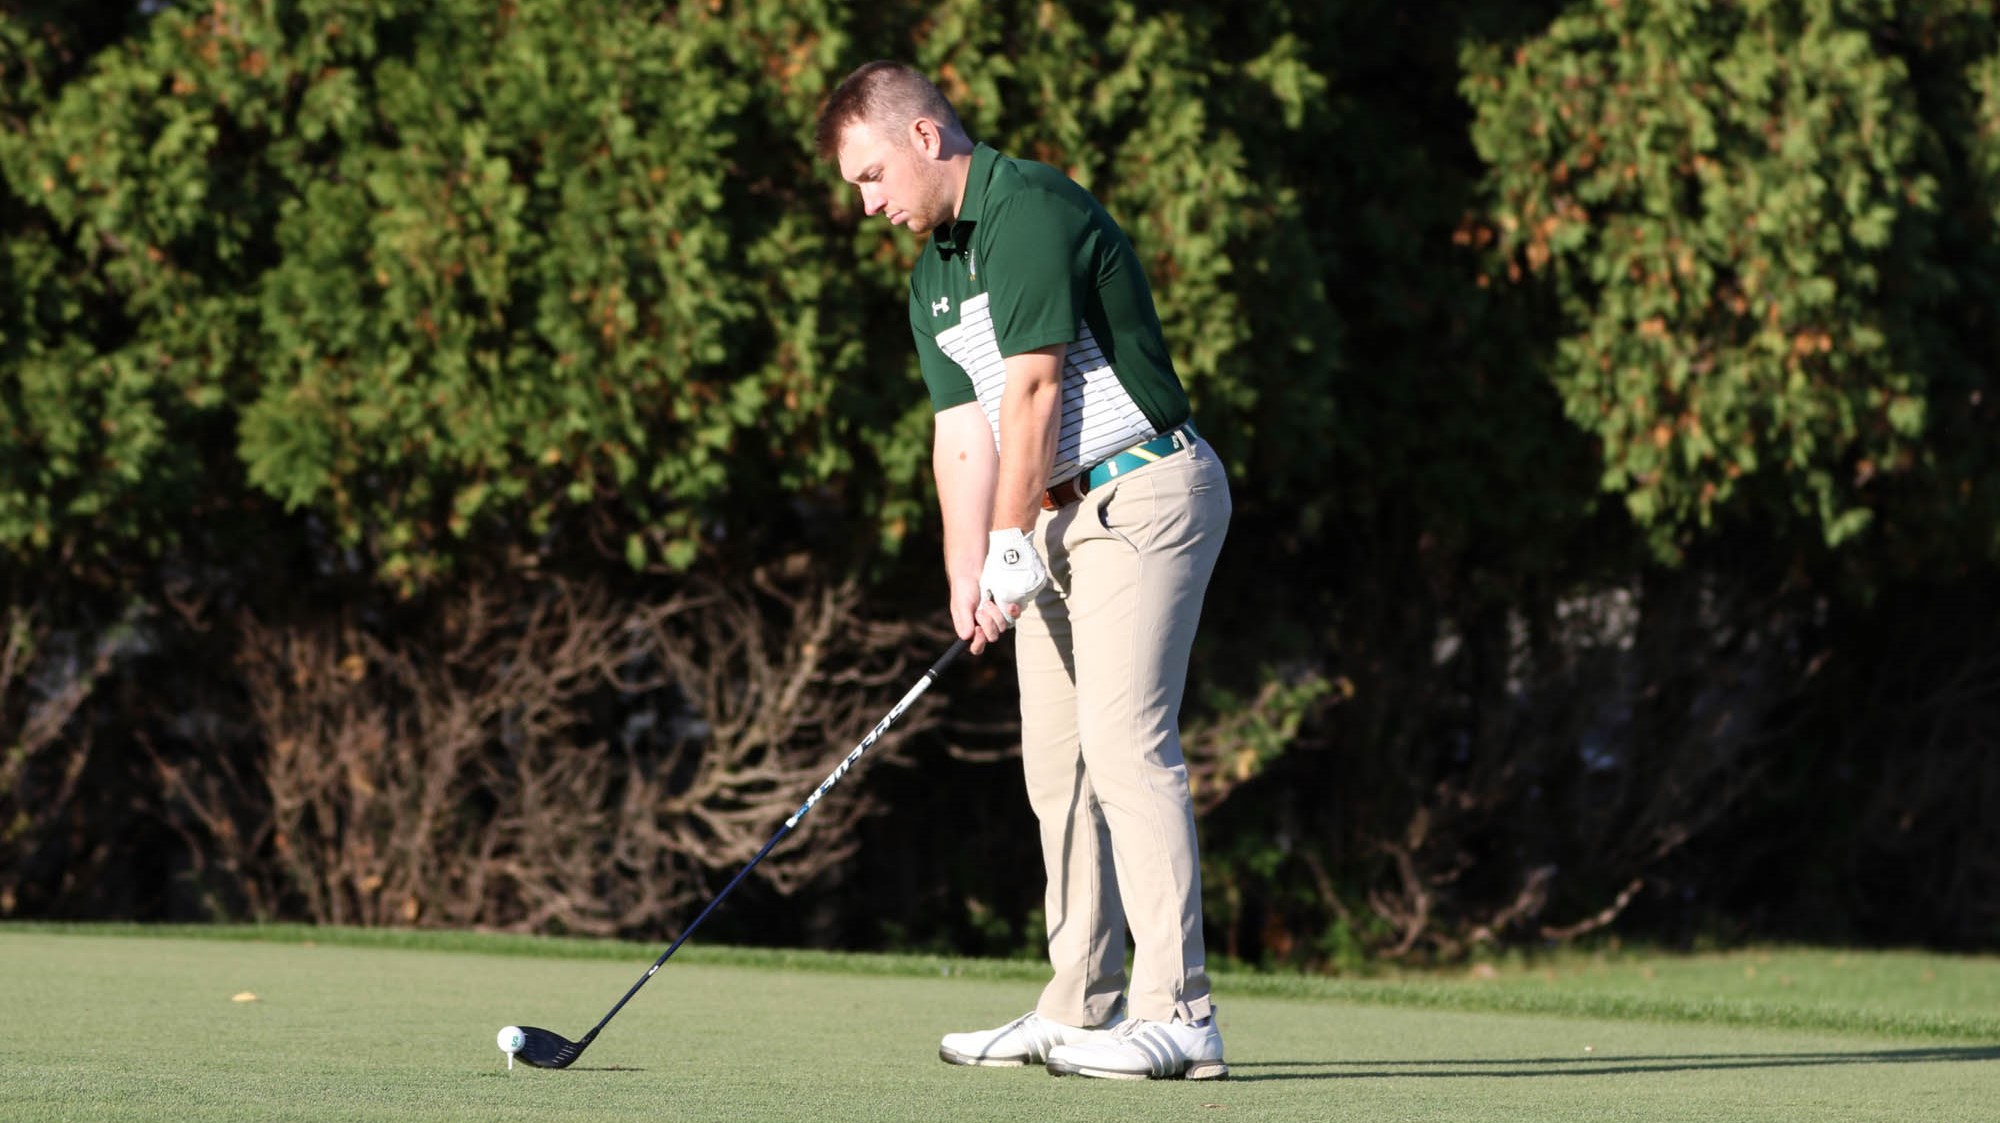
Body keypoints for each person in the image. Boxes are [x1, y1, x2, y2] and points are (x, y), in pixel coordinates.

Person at [814, 61, 1232, 1082]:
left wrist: (1008, 549)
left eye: (870, 176)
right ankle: (1075, 1005)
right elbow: (963, 433)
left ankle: (1179, 1013)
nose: (867, 205)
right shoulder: (931, 276)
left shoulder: (1028, 207)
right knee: (1060, 767)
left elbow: (1037, 389)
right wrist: (970, 570)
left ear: (922, 138)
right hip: (1044, 522)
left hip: (1140, 492)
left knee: (1124, 740)